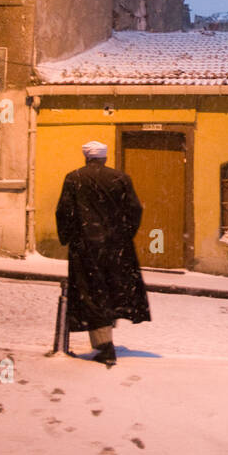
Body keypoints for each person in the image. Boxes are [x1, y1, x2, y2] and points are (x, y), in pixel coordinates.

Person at [55, 141, 152, 366]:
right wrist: (124, 235)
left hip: (86, 245)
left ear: (86, 158)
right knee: (110, 289)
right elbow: (135, 209)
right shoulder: (120, 178)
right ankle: (103, 338)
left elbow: (64, 210)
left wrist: (68, 236)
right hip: (116, 246)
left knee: (91, 292)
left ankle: (105, 346)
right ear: (105, 158)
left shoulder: (74, 178)